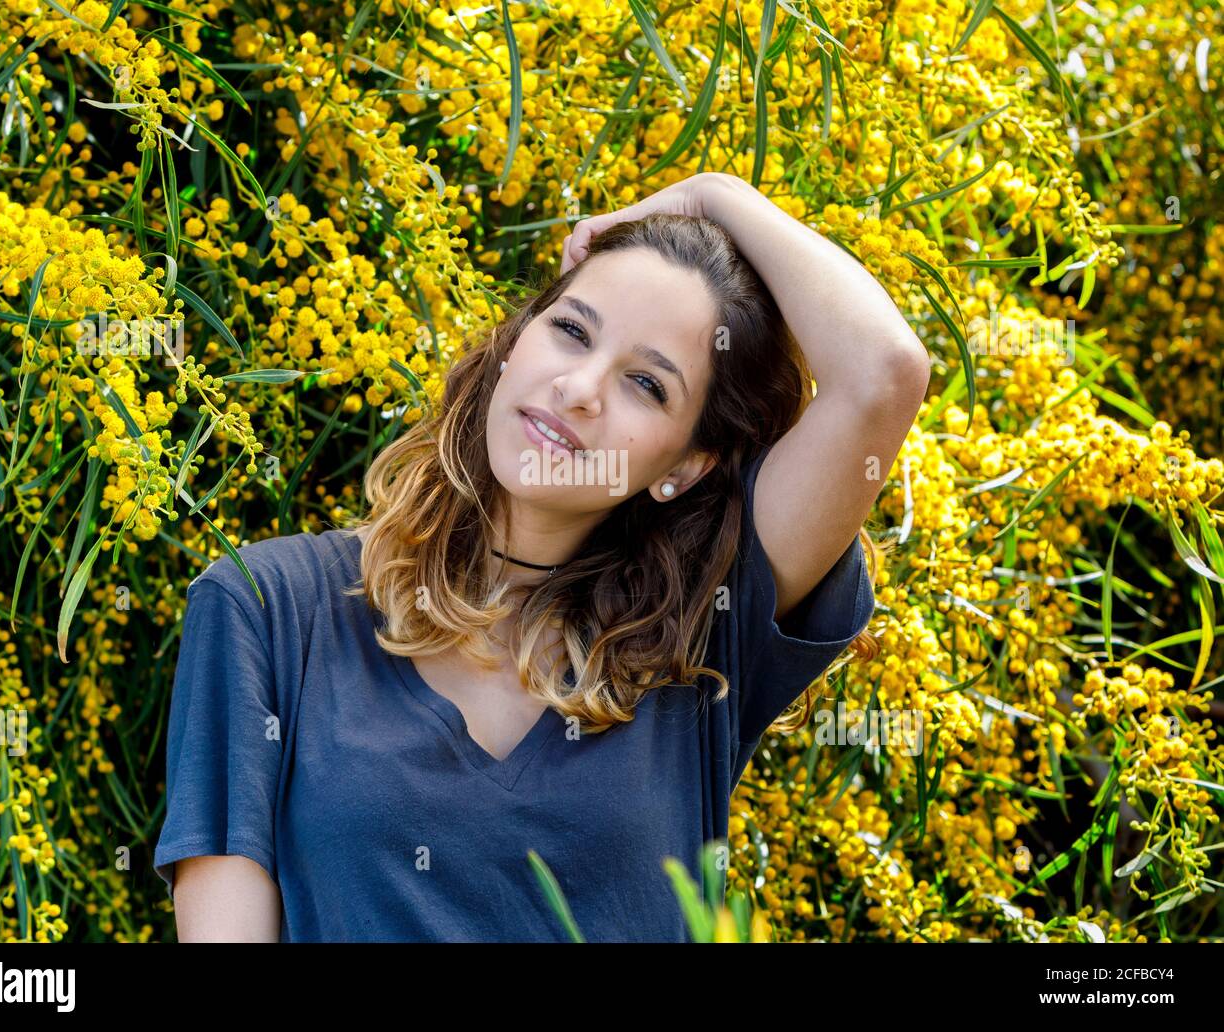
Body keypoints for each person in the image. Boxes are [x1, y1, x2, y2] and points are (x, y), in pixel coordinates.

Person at [152, 172, 930, 942]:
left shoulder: (705, 634)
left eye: (647, 385)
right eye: (571, 331)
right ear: (514, 344)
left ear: (683, 468)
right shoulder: (267, 609)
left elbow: (883, 374)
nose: (581, 387)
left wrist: (709, 195)